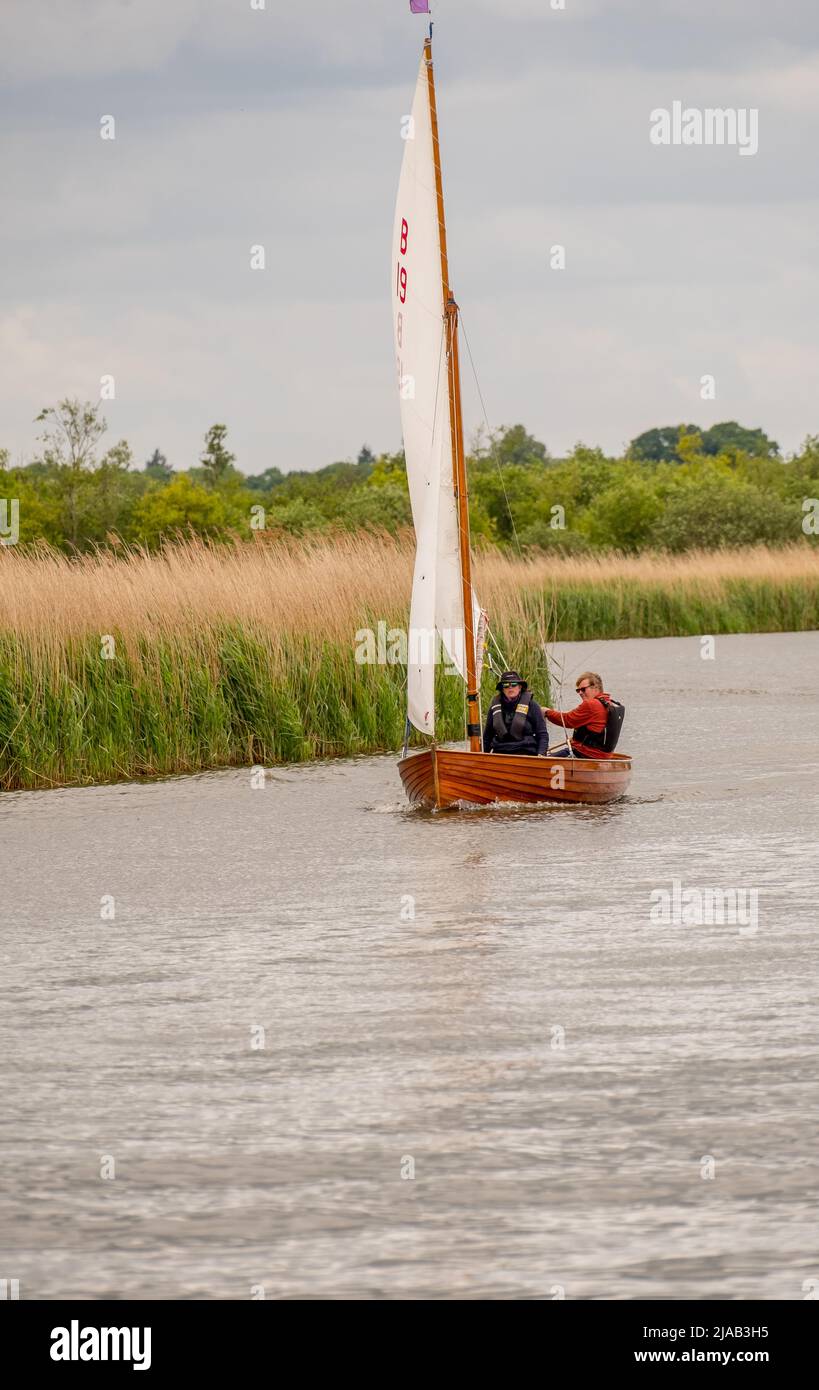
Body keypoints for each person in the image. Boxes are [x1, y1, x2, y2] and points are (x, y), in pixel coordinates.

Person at [545, 671, 617, 758]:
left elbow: (567, 720)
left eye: (583, 689)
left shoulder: (591, 704)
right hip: (603, 756)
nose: (580, 693)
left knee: (542, 760)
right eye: (578, 690)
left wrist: (547, 712)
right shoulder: (609, 703)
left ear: (596, 687)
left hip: (585, 754)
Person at [482, 670, 549, 756]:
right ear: (502, 689)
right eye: (506, 685)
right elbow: (487, 736)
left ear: (520, 687)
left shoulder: (532, 705)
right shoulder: (494, 708)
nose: (510, 687)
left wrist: (541, 754)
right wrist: (482, 757)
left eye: (513, 684)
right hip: (501, 753)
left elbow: (542, 734)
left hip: (526, 752)